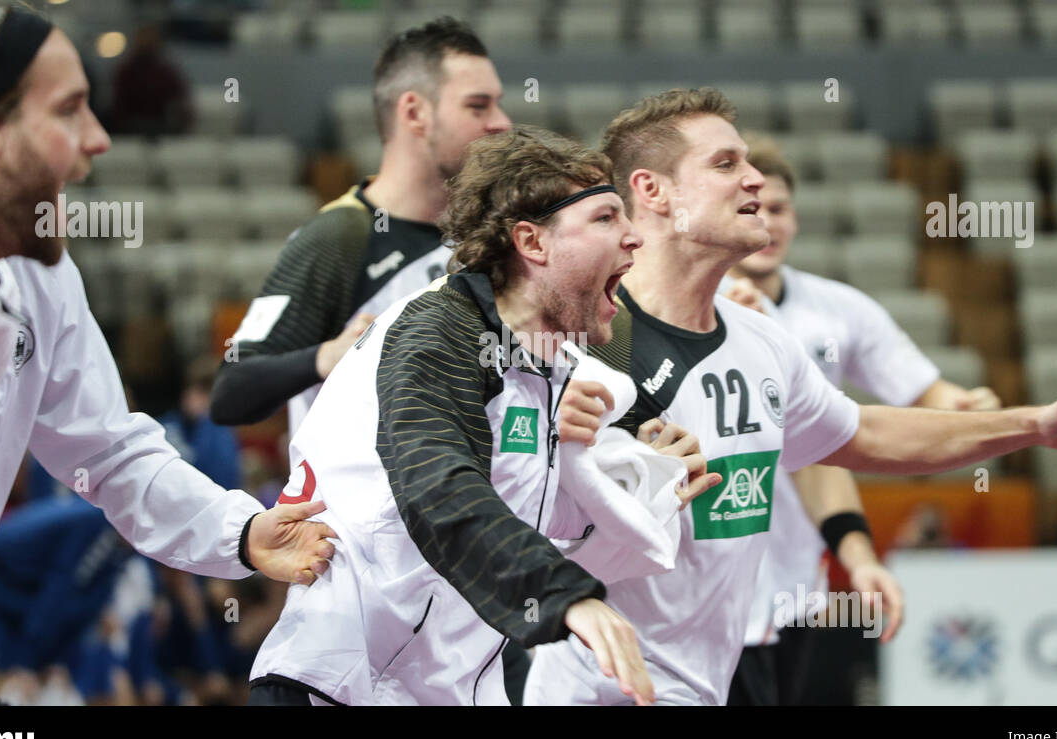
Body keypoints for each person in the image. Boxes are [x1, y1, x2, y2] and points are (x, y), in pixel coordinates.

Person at [522, 88, 1057, 706]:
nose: (754, 182)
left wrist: (1036, 426)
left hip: (710, 675)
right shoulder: (577, 343)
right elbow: (491, 515)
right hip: (594, 686)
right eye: (725, 164)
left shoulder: (763, 342)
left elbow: (867, 435)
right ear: (652, 192)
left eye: (748, 162)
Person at [0, 3, 332, 706]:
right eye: (69, 111)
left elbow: (109, 451)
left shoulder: (40, 279)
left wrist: (240, 531)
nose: (98, 140)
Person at [247, 126, 716, 706]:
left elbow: (537, 517)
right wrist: (565, 596)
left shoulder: (550, 365)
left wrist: (647, 477)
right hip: (341, 687)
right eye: (605, 218)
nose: (634, 237)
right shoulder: (434, 331)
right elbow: (438, 489)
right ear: (532, 242)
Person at [720, 134, 1001, 705]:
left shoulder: (838, 309)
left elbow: (921, 392)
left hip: (799, 572)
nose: (767, 223)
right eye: (752, 209)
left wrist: (973, 411)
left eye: (779, 209)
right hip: (707, 581)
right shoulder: (678, 311)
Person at [210, 16, 511, 435]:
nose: (501, 122)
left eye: (497, 103)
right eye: (478, 106)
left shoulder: (495, 233)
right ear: (415, 112)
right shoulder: (339, 236)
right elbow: (231, 391)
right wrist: (327, 356)